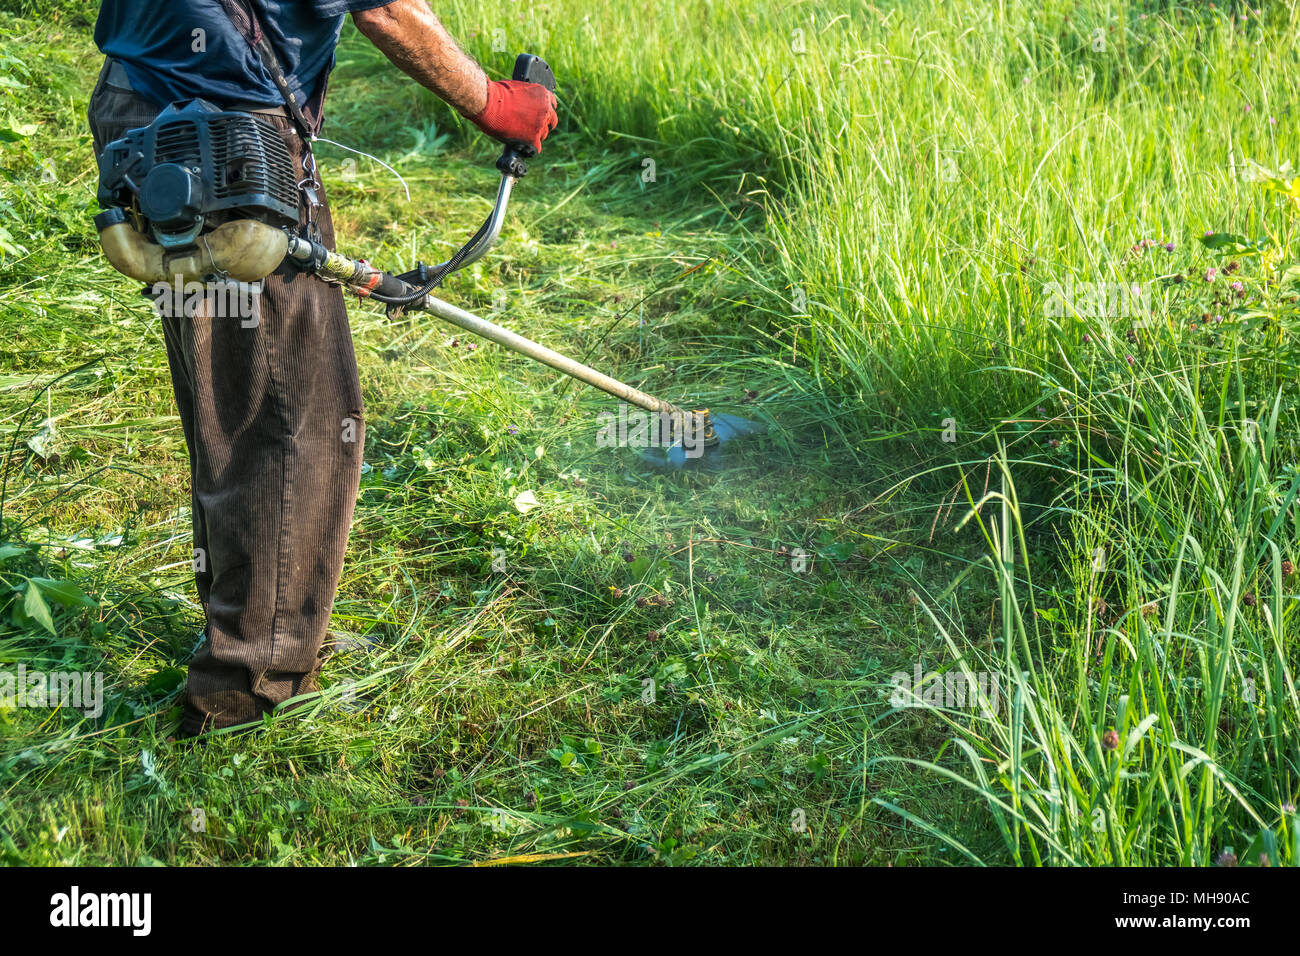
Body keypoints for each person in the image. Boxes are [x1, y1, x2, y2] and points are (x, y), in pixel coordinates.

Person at [88, 0, 558, 737]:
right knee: (288, 417)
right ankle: (248, 687)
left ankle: (259, 627)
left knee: (234, 399)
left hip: (142, 106)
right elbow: (393, 11)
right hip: (225, 136)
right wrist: (498, 104)